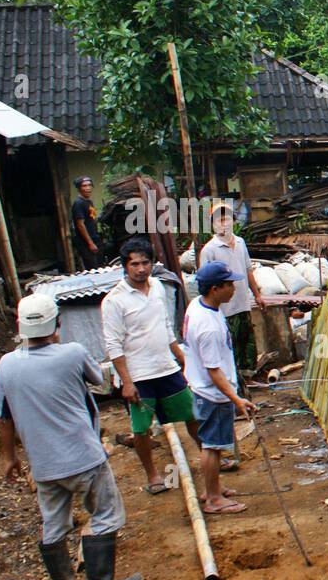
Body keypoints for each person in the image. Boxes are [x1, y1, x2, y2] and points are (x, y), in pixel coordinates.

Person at [0, 294, 143, 580]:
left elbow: (5, 418)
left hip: (43, 465)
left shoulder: (6, 365)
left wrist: (10, 458)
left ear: (20, 326)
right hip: (83, 457)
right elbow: (96, 380)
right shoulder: (71, 353)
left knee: (53, 524)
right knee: (104, 514)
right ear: (57, 324)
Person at [101, 237, 200, 494]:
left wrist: (180, 356)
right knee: (141, 429)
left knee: (192, 415)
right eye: (134, 264)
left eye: (145, 262)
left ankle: (209, 456)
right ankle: (153, 475)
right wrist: (127, 382)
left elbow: (165, 326)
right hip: (139, 375)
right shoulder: (114, 300)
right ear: (125, 267)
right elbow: (113, 345)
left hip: (166, 368)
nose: (141, 269)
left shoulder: (157, 287)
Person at [184, 262, 256, 514]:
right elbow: (214, 371)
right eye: (229, 284)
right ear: (215, 289)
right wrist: (236, 399)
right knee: (212, 446)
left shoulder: (198, 306)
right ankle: (213, 499)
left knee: (210, 444)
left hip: (201, 387)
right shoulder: (209, 328)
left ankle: (212, 488)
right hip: (212, 393)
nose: (234, 288)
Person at [197, 200, 263, 383]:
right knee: (229, 346)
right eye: (219, 219)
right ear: (213, 224)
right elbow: (205, 281)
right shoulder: (209, 250)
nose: (223, 222)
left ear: (234, 220)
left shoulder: (240, 243)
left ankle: (248, 379)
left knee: (246, 343)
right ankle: (233, 381)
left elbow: (248, 270)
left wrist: (257, 295)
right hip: (224, 309)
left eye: (227, 218)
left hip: (243, 302)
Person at [71, 176, 102, 270]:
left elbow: (92, 218)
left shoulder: (88, 202)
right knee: (93, 269)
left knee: (100, 267)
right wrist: (90, 243)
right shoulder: (78, 203)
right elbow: (80, 225)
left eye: (89, 185)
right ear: (79, 188)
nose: (88, 188)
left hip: (94, 238)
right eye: (84, 186)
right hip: (86, 243)